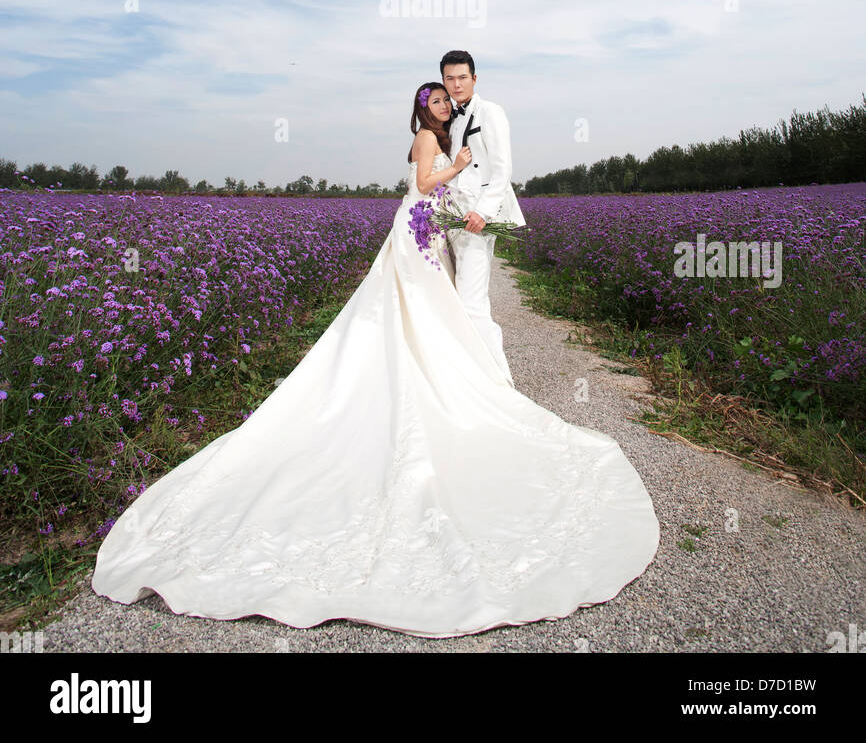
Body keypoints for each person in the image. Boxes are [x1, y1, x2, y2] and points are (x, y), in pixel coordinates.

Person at [90, 81, 659, 639]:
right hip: (416, 234)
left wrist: (459, 192)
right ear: (423, 110)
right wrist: (457, 169)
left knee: (433, 310)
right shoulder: (428, 142)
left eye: (445, 96)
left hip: (425, 232)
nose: (442, 102)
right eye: (435, 99)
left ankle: (442, 370)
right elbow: (424, 182)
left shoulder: (450, 129)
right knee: (419, 306)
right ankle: (429, 374)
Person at [440, 50, 524, 385]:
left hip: (478, 218)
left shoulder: (490, 112)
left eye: (462, 77)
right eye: (450, 78)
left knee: (472, 303)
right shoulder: (453, 118)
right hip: (455, 218)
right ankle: (472, 377)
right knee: (462, 298)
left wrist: (484, 212)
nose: (456, 84)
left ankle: (500, 385)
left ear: (474, 78)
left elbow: (503, 168)